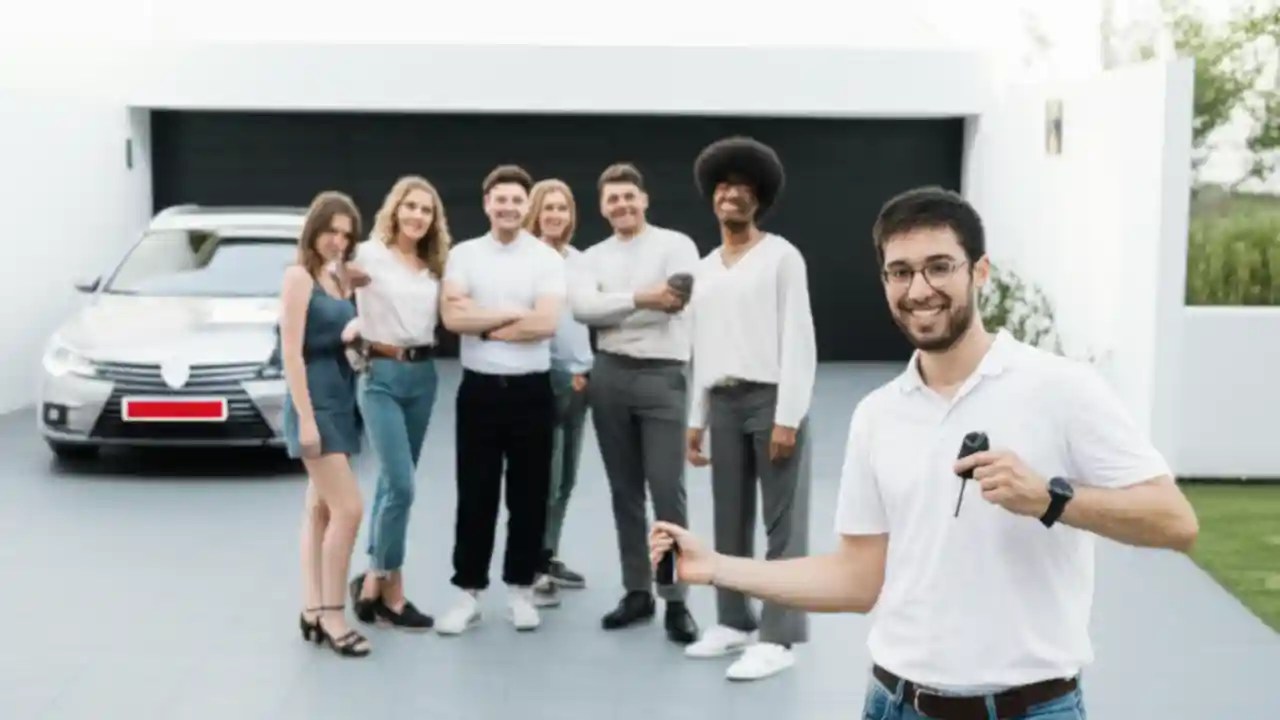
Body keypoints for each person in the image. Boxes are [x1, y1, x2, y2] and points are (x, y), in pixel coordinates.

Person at [650, 186, 1200, 714]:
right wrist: (715, 567)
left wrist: (1051, 499)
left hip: (1028, 708)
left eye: (940, 266)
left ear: (979, 271)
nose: (919, 290)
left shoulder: (1060, 387)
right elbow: (857, 579)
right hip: (895, 704)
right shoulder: (878, 415)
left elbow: (1175, 522)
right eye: (900, 272)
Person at [680, 136, 817, 681]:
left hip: (771, 398)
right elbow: (700, 345)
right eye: (722, 186)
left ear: (758, 200)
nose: (730, 195)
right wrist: (697, 419)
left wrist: (788, 415)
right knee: (728, 518)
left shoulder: (782, 257)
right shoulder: (705, 266)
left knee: (782, 524)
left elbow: (798, 337)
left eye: (741, 188)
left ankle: (780, 637)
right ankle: (734, 621)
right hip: (724, 400)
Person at [569, 162, 700, 644]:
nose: (622, 205)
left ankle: (676, 599)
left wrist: (617, 304)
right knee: (623, 492)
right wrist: (645, 298)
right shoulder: (591, 257)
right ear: (602, 208)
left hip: (663, 377)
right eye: (612, 199)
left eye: (629, 196)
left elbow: (677, 300)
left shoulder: (676, 244)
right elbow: (583, 309)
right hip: (610, 375)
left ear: (644, 199)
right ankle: (636, 592)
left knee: (667, 493)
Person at [436, 164, 566, 634]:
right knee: (476, 493)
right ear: (487, 201)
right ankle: (467, 592)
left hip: (532, 390)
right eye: (500, 198)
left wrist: (483, 321)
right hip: (479, 391)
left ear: (526, 205)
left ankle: (521, 590)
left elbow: (546, 324)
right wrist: (509, 318)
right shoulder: (465, 255)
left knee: (529, 496)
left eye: (517, 200)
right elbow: (451, 317)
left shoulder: (547, 260)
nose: (509, 207)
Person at [345, 175, 452, 632]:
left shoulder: (435, 265)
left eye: (426, 210)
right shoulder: (370, 253)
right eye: (410, 206)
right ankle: (383, 583)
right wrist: (348, 328)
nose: (417, 216)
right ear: (395, 209)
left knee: (393, 487)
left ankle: (380, 581)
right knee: (402, 486)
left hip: (422, 377)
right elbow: (328, 279)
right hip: (380, 376)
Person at [282, 190, 371, 657]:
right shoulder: (298, 277)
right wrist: (306, 420)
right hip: (315, 402)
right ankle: (336, 615)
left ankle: (312, 609)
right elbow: (291, 353)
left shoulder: (337, 279)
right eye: (330, 231)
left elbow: (346, 335)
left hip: (341, 394)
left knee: (319, 511)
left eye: (345, 234)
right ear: (313, 229)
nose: (338, 240)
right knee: (348, 510)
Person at [522, 178, 594, 607]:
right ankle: (531, 566)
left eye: (562, 208)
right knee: (542, 479)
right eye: (547, 208)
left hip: (581, 379)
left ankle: (549, 554)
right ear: (536, 212)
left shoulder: (580, 261)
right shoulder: (525, 260)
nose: (555, 215)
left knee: (566, 479)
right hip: (542, 376)